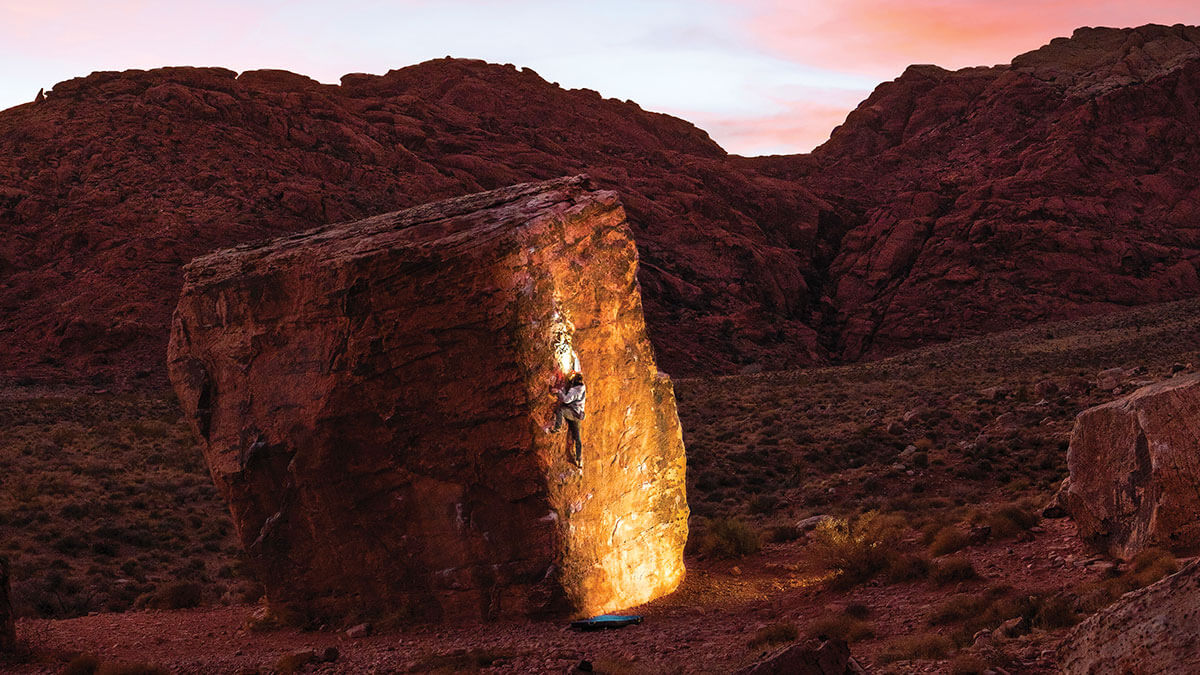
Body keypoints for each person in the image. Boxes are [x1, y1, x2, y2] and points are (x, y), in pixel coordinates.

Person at [548, 372, 586, 467]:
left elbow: (566, 400)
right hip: (578, 415)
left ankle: (557, 427)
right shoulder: (582, 387)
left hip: (572, 413)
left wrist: (558, 392)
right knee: (577, 438)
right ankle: (579, 459)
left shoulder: (575, 390)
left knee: (560, 410)